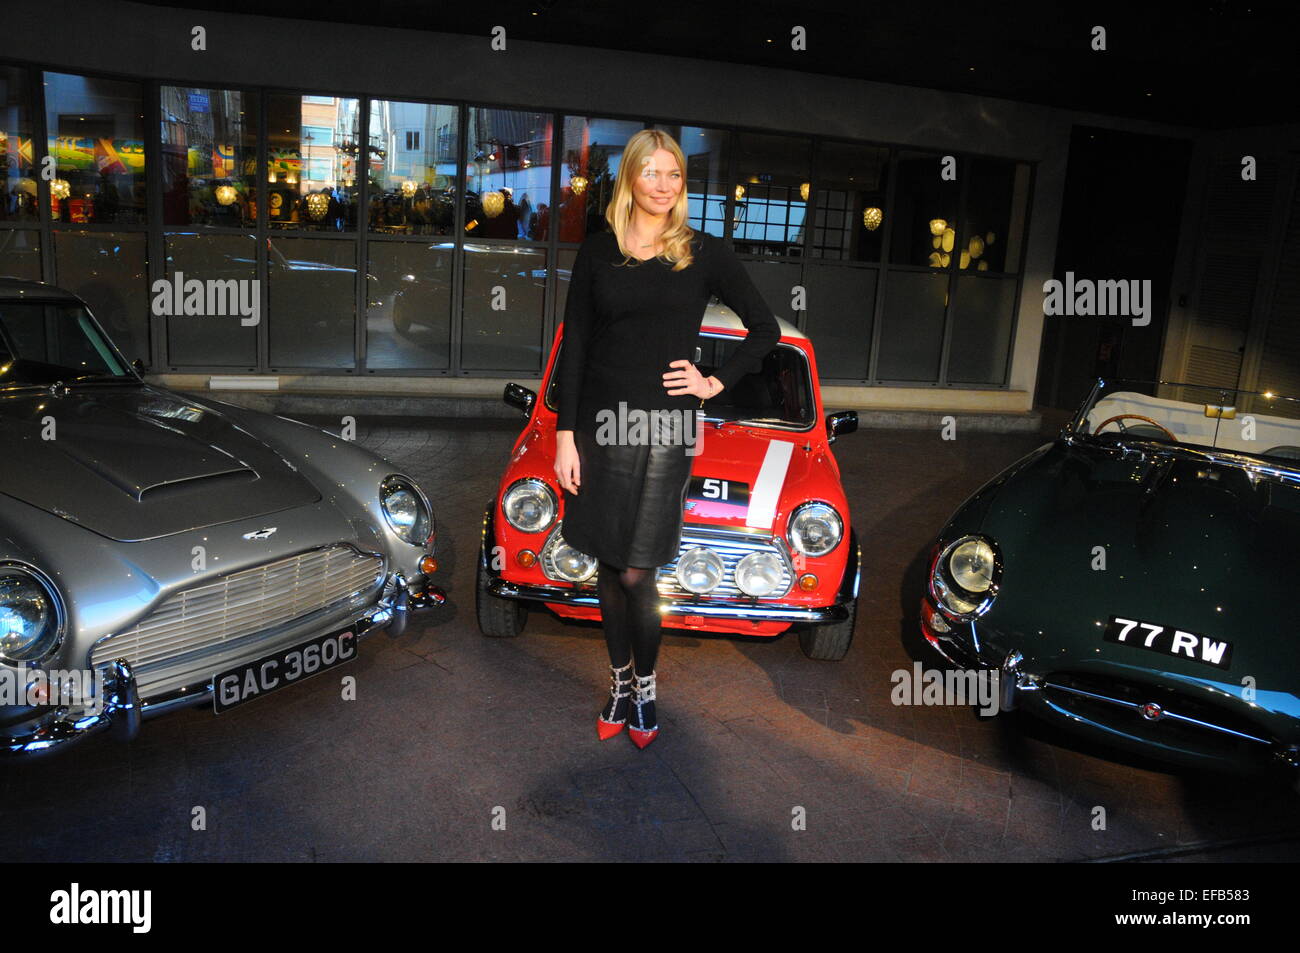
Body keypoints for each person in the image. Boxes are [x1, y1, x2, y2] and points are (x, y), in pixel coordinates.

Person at [554, 128, 781, 749]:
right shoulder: (598, 252)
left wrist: (713, 381)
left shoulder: (702, 252)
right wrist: (564, 436)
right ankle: (619, 681)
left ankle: (647, 683)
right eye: (651, 172)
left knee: (637, 572)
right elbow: (575, 347)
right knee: (607, 561)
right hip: (601, 427)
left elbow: (764, 329)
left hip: (665, 428)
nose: (663, 185)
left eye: (674, 174)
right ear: (629, 177)